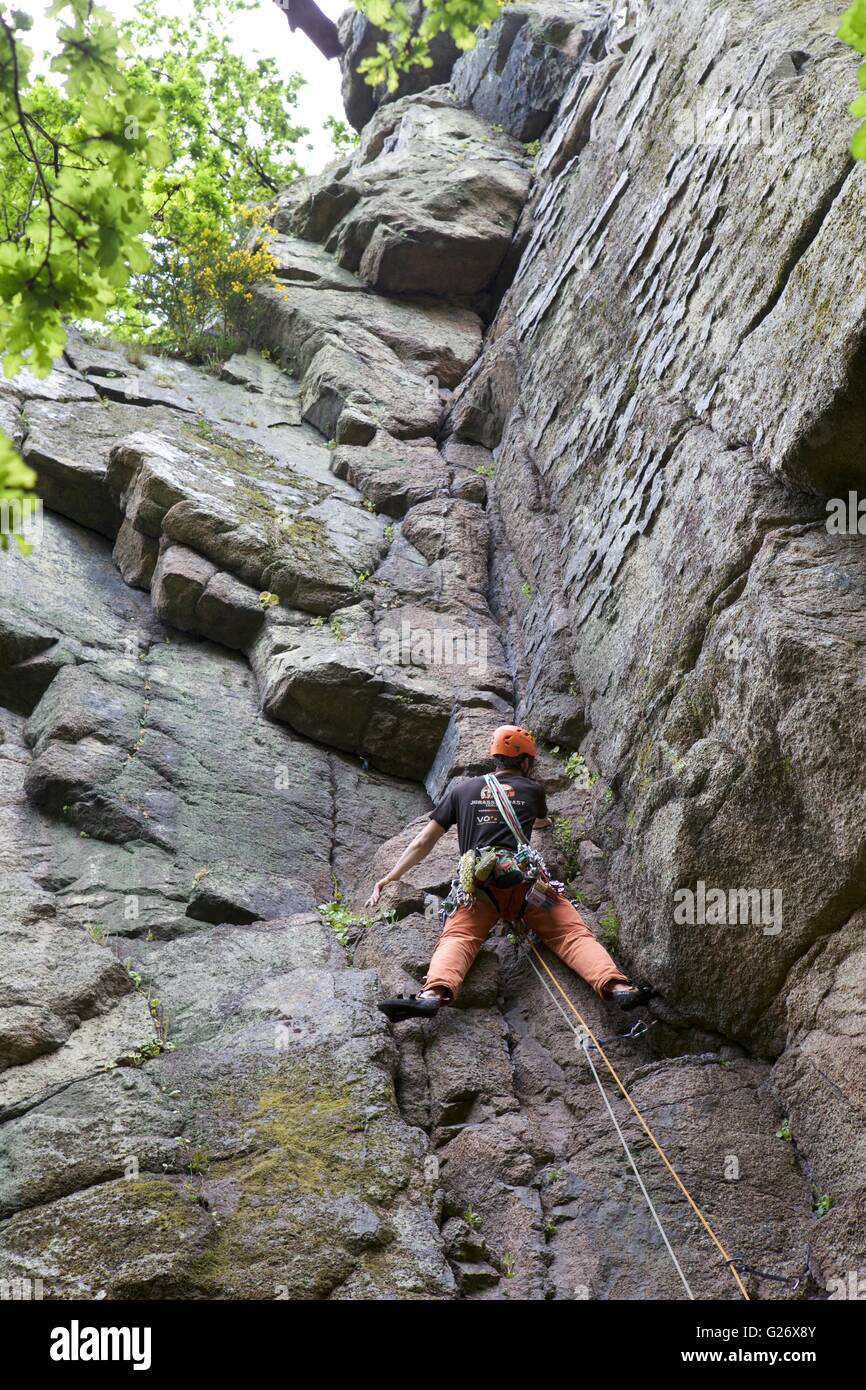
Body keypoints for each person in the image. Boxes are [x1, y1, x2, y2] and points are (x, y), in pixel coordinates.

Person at [367, 724, 651, 1022]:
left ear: (496, 757)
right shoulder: (533, 790)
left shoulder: (463, 790)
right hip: (524, 884)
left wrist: (391, 877)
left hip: (478, 887)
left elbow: (424, 841)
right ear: (526, 762)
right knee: (570, 933)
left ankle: (432, 994)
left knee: (460, 936)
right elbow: (541, 823)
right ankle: (618, 986)